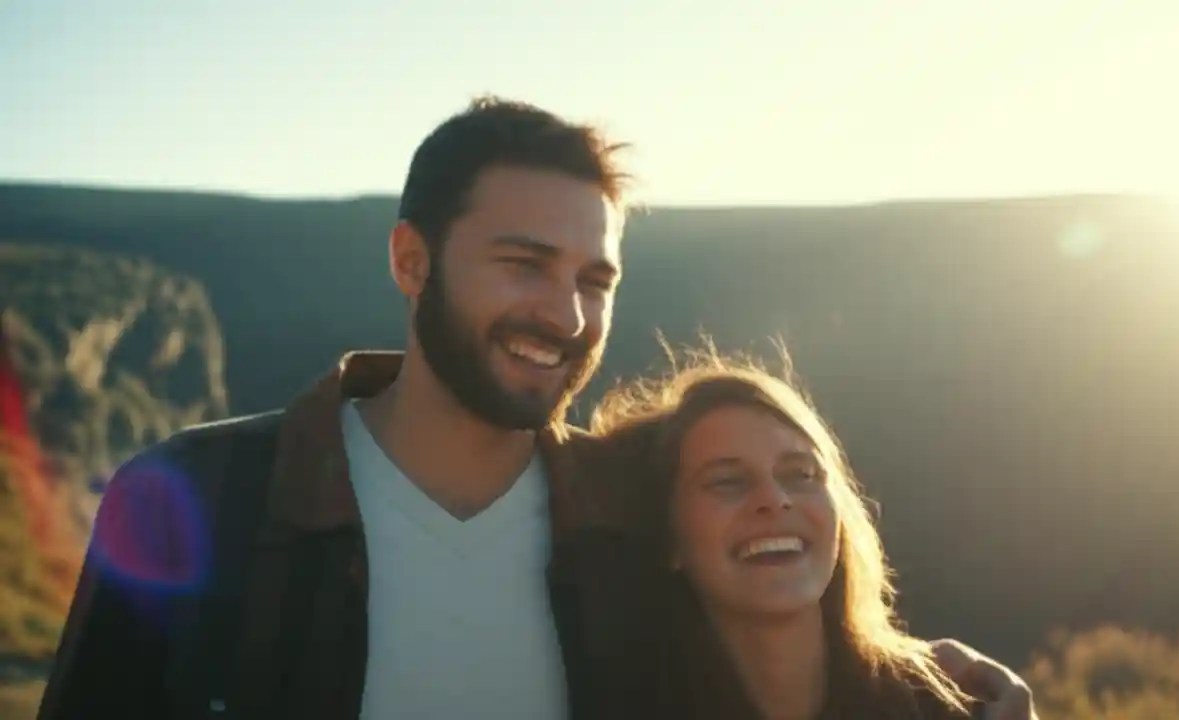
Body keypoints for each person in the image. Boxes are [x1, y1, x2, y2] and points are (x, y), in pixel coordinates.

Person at [39, 97, 1034, 719]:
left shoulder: (627, 515)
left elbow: (785, 630)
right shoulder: (201, 495)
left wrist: (941, 693)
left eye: (593, 278)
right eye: (523, 264)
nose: (563, 315)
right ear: (410, 260)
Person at [572, 347, 1034, 719]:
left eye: (801, 474)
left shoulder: (949, 704)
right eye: (727, 481)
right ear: (669, 539)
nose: (774, 499)